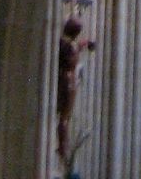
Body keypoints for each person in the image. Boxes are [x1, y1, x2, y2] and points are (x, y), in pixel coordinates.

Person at [56, 15, 95, 168]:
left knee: (66, 116)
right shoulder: (67, 45)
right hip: (68, 82)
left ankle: (63, 144)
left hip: (69, 80)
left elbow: (76, 46)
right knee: (65, 117)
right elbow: (72, 52)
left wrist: (85, 44)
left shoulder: (67, 44)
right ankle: (62, 145)